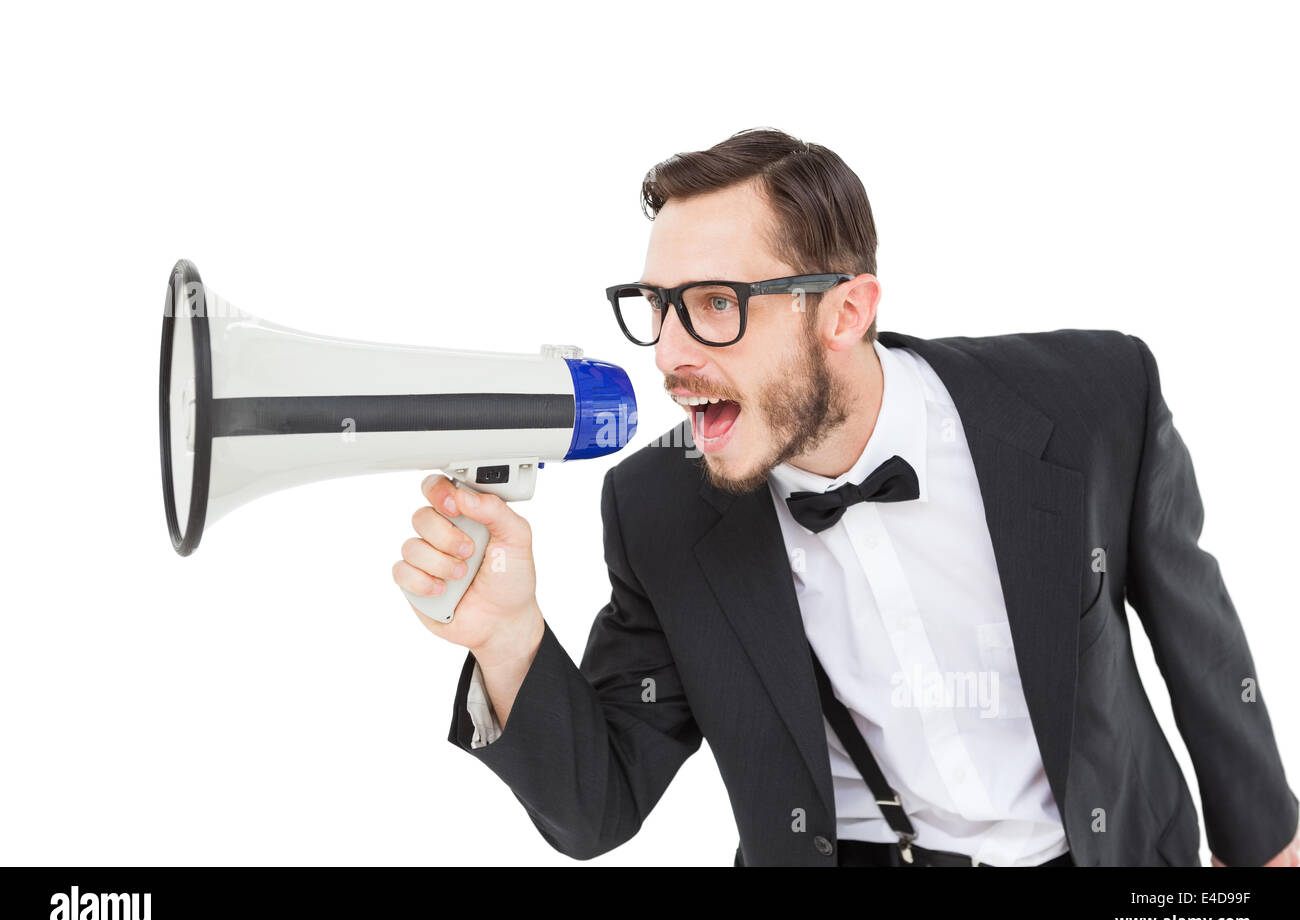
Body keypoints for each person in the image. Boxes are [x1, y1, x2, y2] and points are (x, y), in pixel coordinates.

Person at [392, 128, 1298, 867]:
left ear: (845, 311)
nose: (667, 355)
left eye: (714, 304)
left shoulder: (1092, 395)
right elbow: (600, 810)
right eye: (656, 305)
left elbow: (1202, 644)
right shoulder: (657, 503)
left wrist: (1267, 849)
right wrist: (509, 638)